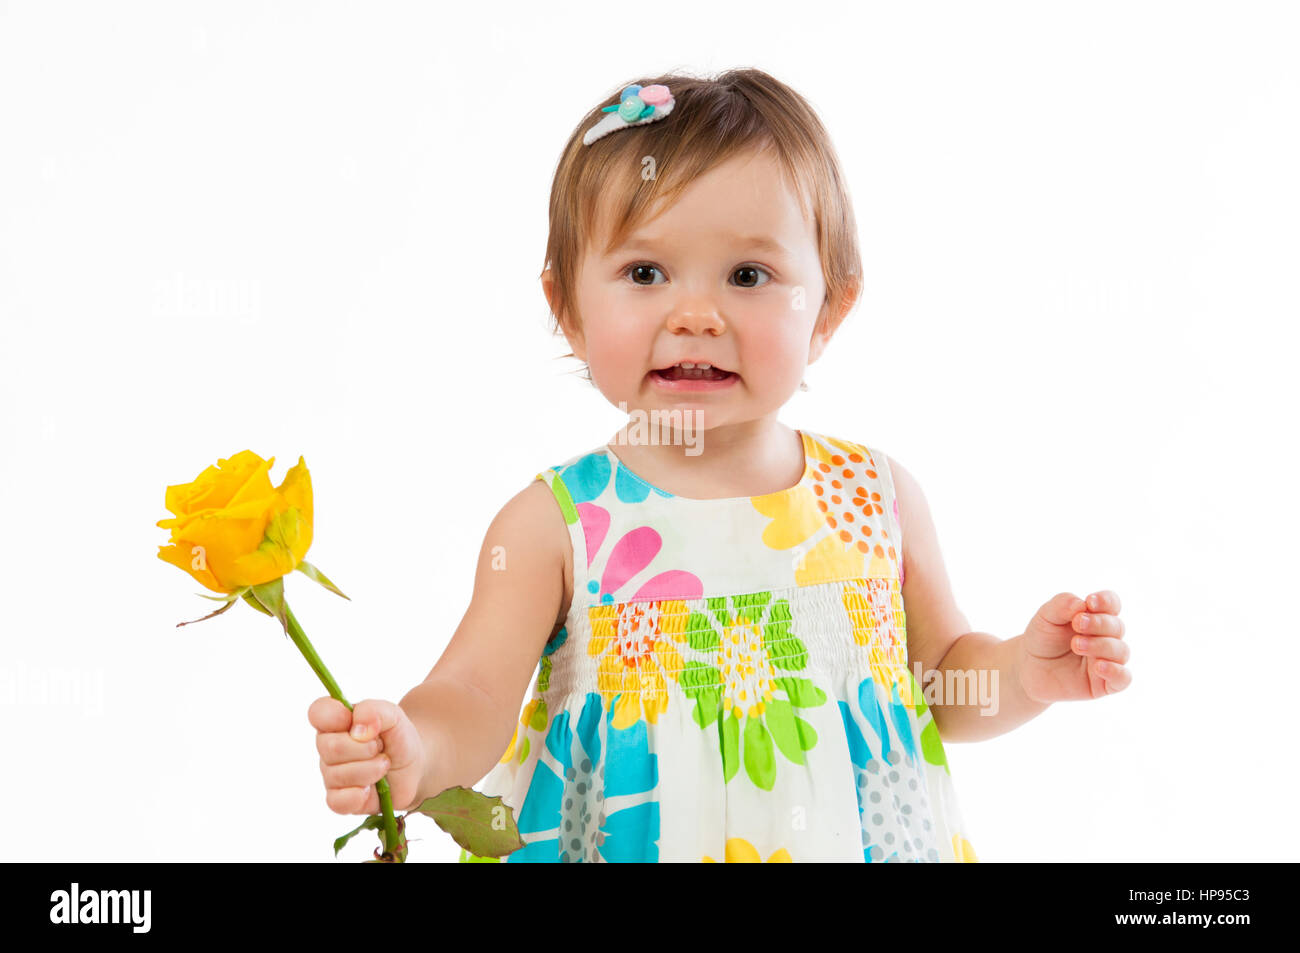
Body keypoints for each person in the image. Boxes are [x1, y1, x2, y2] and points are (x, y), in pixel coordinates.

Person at [309, 67, 1131, 863]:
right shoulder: (556, 526)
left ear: (830, 309)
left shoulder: (875, 500)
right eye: (644, 272)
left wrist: (1024, 671)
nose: (696, 314)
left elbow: (945, 679)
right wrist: (415, 745)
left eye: (748, 275)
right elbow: (476, 697)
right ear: (567, 310)